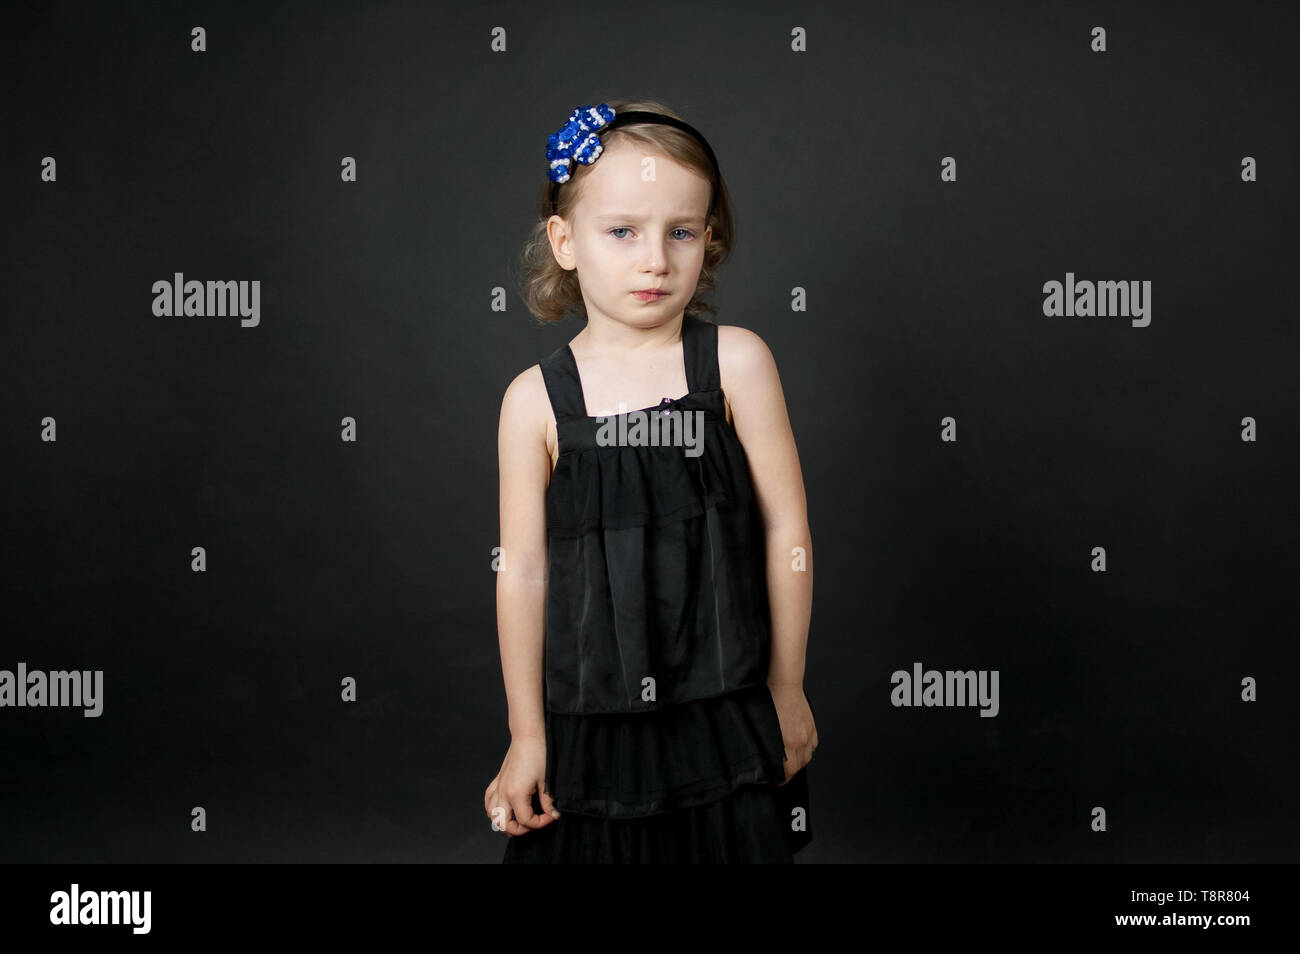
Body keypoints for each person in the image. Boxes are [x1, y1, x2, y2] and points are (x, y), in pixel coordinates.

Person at [485, 99, 818, 862]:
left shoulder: (736, 364)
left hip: (724, 704)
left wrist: (788, 685)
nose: (655, 260)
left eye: (681, 232)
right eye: (623, 231)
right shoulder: (534, 402)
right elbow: (523, 572)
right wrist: (526, 734)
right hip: (590, 718)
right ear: (564, 241)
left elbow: (786, 533)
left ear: (710, 240)